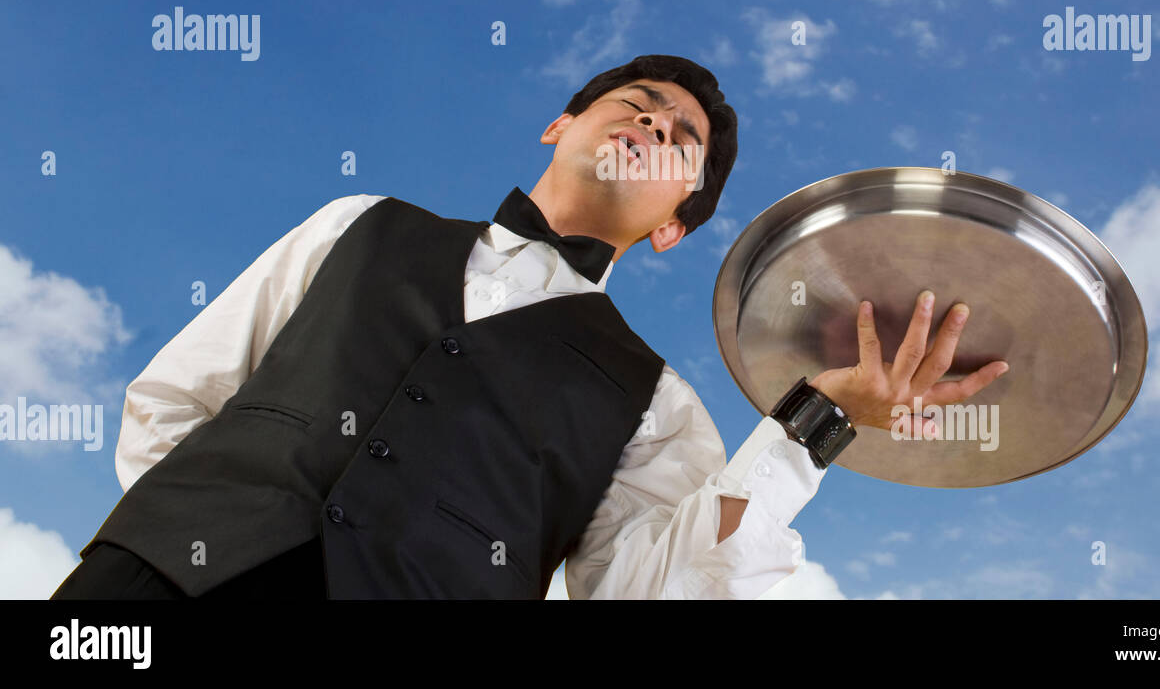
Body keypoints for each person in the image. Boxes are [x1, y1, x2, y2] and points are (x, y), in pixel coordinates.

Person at [51, 53, 1004, 600]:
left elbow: (646, 591)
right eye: (638, 104)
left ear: (673, 226)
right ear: (563, 124)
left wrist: (812, 427)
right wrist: (180, 543)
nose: (654, 125)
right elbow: (176, 402)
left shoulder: (655, 403)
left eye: (682, 143)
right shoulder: (356, 222)